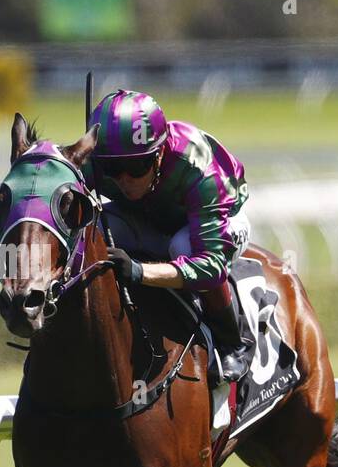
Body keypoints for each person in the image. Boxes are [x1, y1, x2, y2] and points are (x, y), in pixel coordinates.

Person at [87, 89, 255, 382]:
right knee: (93, 230)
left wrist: (141, 272)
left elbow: (211, 266)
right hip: (151, 217)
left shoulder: (197, 168)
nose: (125, 179)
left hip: (218, 223)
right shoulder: (93, 163)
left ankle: (233, 340)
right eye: (112, 168)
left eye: (137, 166)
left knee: (182, 245)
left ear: (160, 153)